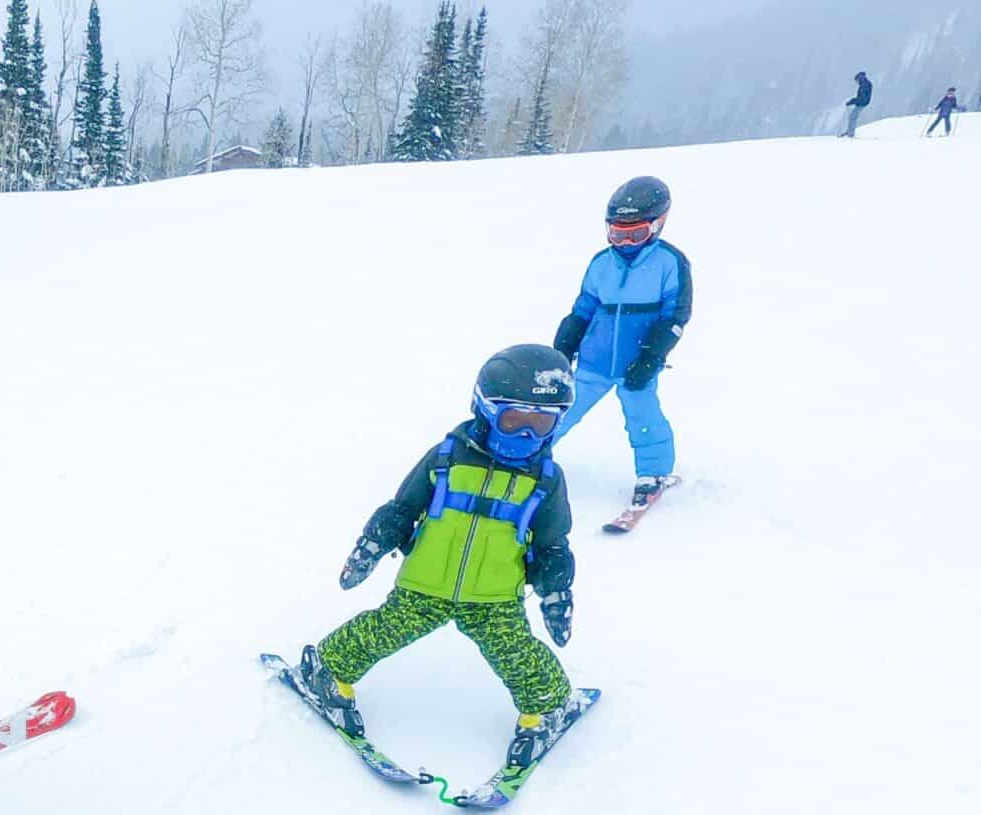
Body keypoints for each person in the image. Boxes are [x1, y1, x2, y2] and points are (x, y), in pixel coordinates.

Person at [295, 346, 582, 777]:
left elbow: (553, 544)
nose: (527, 435)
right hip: (424, 583)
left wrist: (556, 592)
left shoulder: (545, 480)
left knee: (517, 653)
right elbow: (402, 507)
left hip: (495, 596)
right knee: (382, 630)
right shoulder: (448, 457)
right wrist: (371, 547)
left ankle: (549, 705)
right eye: (514, 420)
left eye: (541, 423)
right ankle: (327, 670)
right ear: (485, 410)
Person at [549, 176, 693, 512]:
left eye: (636, 234)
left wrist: (650, 357)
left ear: (658, 225)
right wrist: (562, 349)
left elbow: (675, 316)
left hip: (636, 364)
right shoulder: (601, 263)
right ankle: (528, 455)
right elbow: (583, 309)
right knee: (560, 411)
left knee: (642, 417)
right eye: (617, 234)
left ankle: (653, 474)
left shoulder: (669, 263)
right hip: (593, 361)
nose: (626, 243)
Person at [842, 70, 872, 137]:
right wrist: (853, 101)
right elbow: (860, 97)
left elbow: (862, 98)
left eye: (857, 80)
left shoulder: (865, 85)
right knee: (852, 117)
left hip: (861, 104)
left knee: (852, 117)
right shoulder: (864, 84)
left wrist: (852, 101)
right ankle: (849, 131)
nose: (856, 82)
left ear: (860, 78)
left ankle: (850, 133)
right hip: (861, 103)